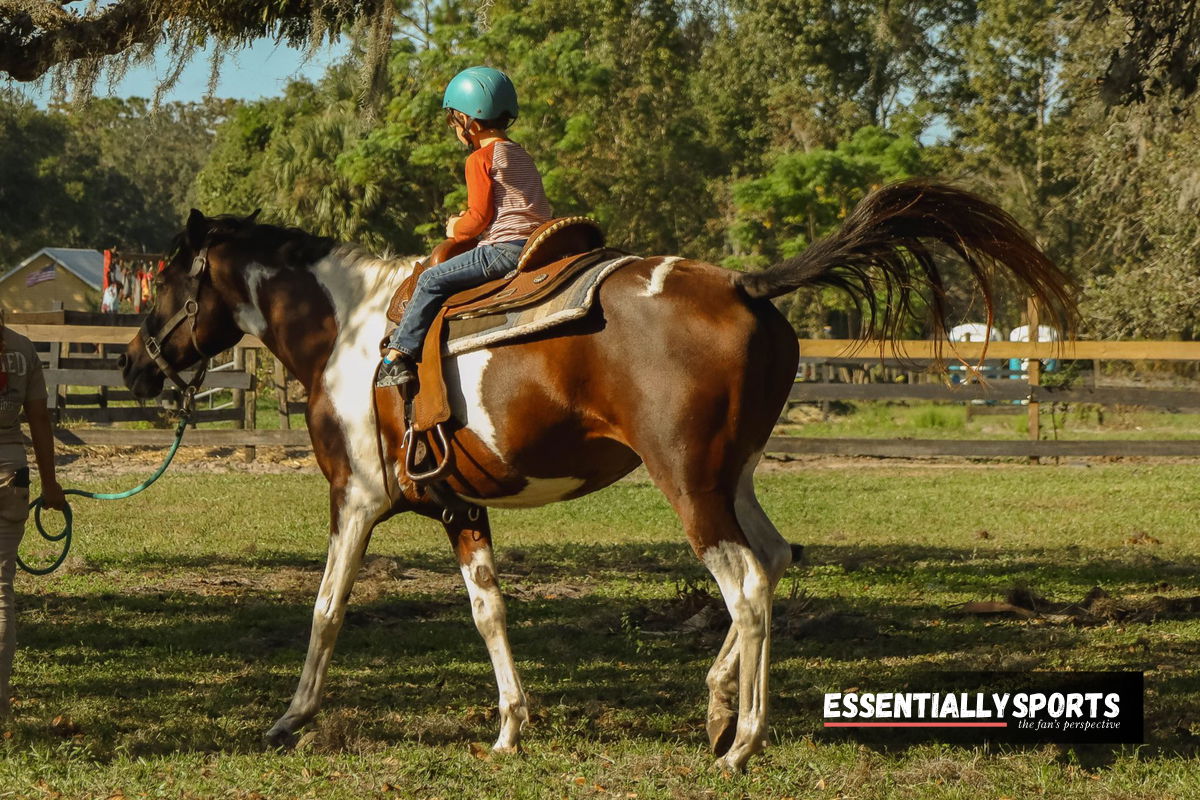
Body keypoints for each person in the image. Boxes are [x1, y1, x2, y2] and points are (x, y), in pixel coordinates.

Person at [378, 66, 553, 387]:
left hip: (504, 250)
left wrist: (456, 227)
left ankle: (398, 355)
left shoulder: (480, 158)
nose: (454, 126)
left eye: (453, 119)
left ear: (468, 119)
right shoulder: (519, 153)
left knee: (430, 279)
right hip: (536, 245)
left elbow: (478, 220)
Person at [0, 314, 65, 719]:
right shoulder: (23, 349)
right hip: (11, 473)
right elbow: (39, 419)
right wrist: (50, 484)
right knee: (0, 593)